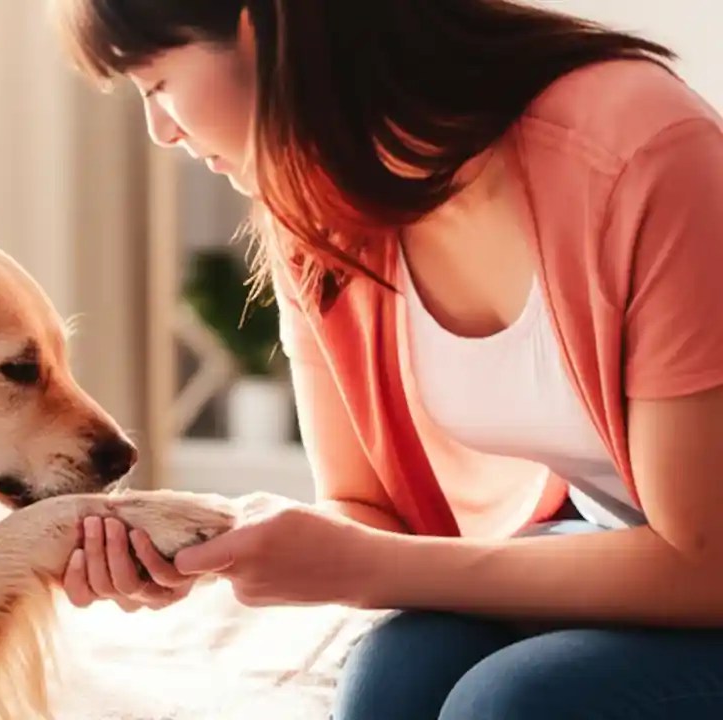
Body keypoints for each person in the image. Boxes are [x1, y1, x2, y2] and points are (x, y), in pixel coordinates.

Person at [47, 0, 723, 718]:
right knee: (392, 677)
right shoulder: (314, 213)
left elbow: (705, 560)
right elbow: (368, 515)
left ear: (255, 26)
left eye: (154, 83)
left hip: (701, 566)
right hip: (610, 540)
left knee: (512, 704)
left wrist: (368, 565)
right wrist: (207, 543)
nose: (160, 130)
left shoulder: (638, 152)